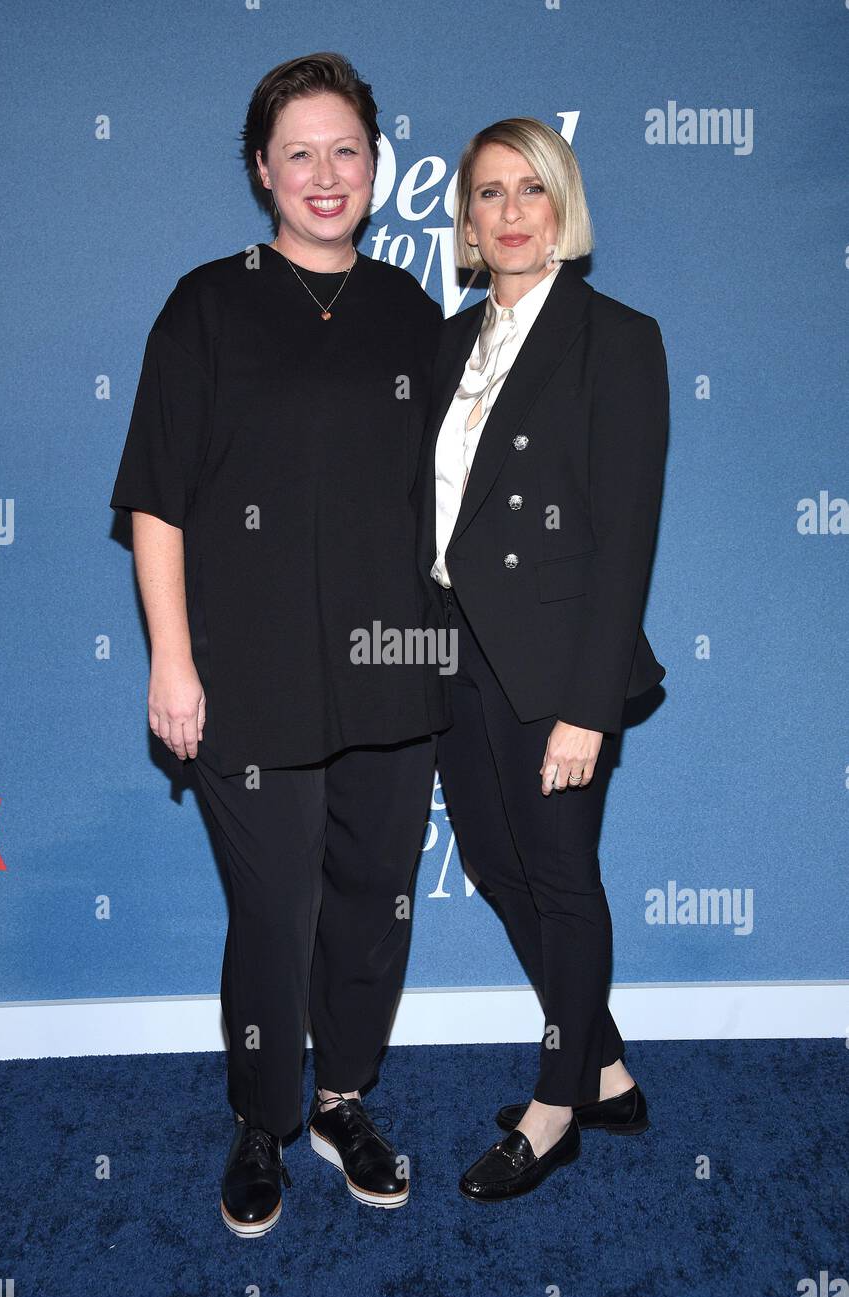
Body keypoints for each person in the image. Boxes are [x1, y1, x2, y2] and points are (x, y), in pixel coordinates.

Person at [109, 52, 450, 1236]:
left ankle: (343, 1099)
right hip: (245, 672)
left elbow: (455, 501)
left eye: (346, 149)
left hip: (396, 665)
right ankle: (263, 1119)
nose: (324, 173)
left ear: (376, 165)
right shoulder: (206, 304)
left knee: (372, 897)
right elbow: (158, 499)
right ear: (261, 170)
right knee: (274, 909)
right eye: (297, 151)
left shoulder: (412, 313)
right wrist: (171, 656)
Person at [413, 117, 669, 1202]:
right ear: (464, 221)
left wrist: (586, 705)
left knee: (561, 880)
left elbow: (625, 541)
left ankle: (556, 1104)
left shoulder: (618, 338)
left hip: (557, 660)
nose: (509, 212)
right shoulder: (444, 344)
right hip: (452, 657)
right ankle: (603, 1064)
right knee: (500, 868)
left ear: (562, 206)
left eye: (530, 189)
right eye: (487, 194)